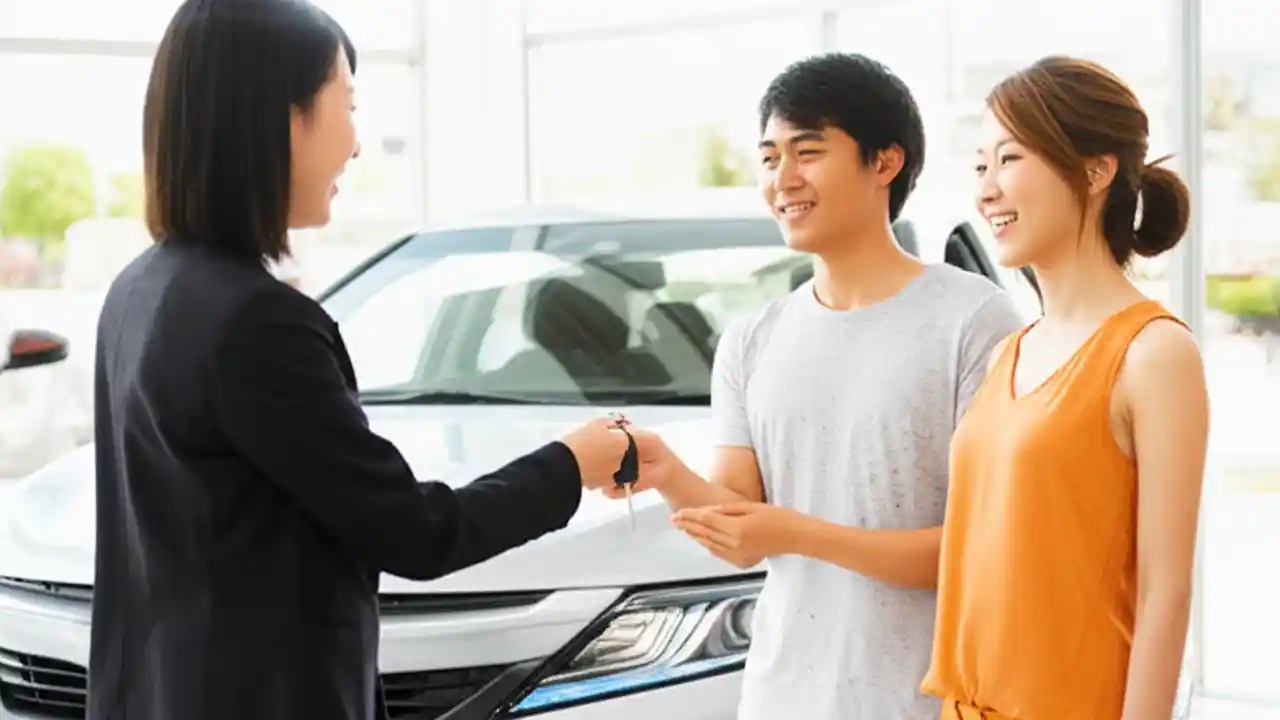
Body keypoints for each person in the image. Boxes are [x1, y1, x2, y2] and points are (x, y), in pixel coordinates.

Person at [88, 2, 632, 719]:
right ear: (276, 118)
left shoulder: (140, 289)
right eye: (346, 104)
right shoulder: (256, 321)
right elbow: (417, 532)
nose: (355, 144)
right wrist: (573, 464)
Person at [619, 53, 1024, 719]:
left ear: (884, 162)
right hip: (782, 697)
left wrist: (800, 533)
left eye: (807, 152)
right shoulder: (752, 340)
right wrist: (663, 469)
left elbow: (982, 548)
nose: (782, 179)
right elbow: (742, 528)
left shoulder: (975, 319)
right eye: (769, 157)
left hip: (925, 702)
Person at [920, 56, 1209, 720]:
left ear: (1096, 170)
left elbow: (1166, 594)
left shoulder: (1154, 353)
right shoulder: (1009, 352)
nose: (987, 189)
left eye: (1009, 158)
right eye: (980, 166)